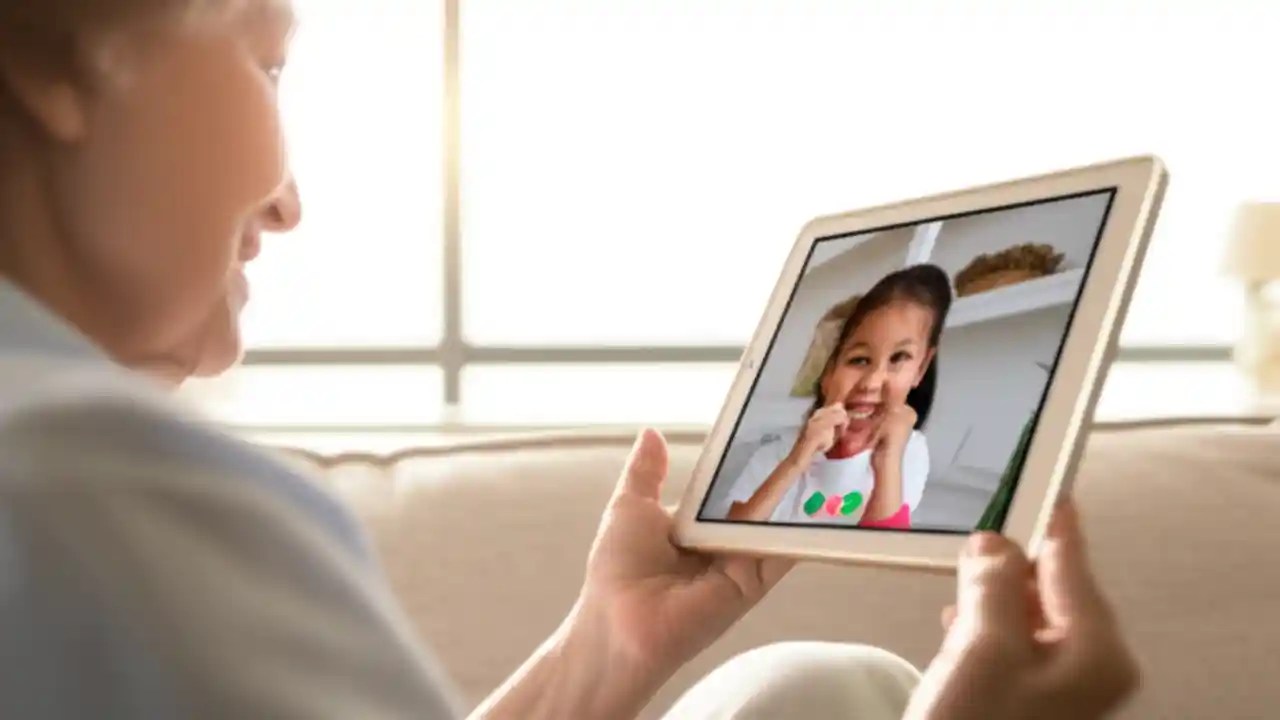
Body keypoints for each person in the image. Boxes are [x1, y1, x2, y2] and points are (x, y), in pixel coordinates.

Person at [0, 1, 1139, 718]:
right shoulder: (90, 493)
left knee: (813, 682)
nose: (289, 203)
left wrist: (604, 650)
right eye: (266, 60)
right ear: (49, 50)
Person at [726, 265, 951, 528]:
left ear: (920, 369)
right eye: (859, 360)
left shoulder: (909, 451)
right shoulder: (778, 451)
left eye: (899, 358)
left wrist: (888, 458)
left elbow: (879, 555)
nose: (872, 383)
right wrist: (797, 460)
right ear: (826, 374)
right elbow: (732, 532)